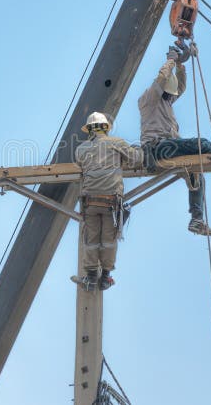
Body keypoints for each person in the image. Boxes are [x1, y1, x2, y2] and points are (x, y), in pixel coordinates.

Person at [138, 44, 211, 236]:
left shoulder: (166, 101)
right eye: (169, 93)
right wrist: (171, 60)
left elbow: (180, 87)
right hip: (157, 148)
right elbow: (161, 79)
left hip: (169, 146)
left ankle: (196, 219)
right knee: (202, 145)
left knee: (197, 174)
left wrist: (181, 65)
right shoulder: (150, 99)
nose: (171, 97)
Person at [72, 111, 142, 291]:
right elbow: (136, 160)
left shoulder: (80, 149)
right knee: (109, 241)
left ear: (89, 130)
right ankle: (105, 277)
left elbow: (83, 163)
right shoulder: (116, 143)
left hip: (91, 204)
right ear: (106, 128)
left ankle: (91, 278)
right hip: (111, 202)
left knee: (91, 240)